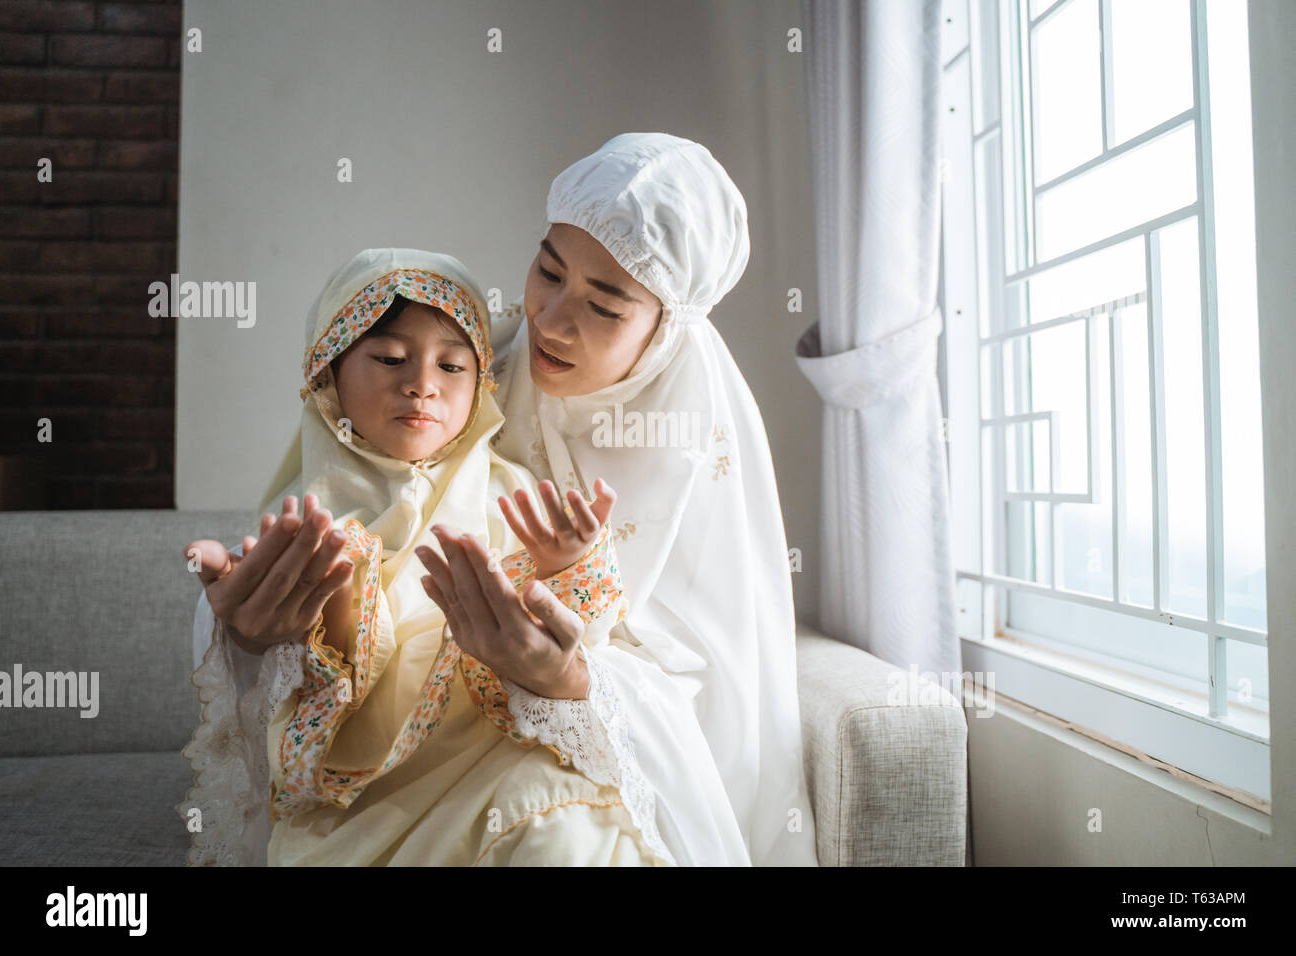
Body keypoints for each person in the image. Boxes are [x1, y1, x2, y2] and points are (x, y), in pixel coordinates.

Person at [179, 248, 732, 865]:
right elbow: (264, 698)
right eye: (389, 358)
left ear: (483, 385)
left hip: (496, 761)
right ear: (327, 373)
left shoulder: (515, 493)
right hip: (365, 801)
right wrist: (264, 635)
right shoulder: (306, 517)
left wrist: (567, 566)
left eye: (453, 364)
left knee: (567, 835)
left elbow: (586, 641)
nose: (421, 384)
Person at [472, 131, 820, 866]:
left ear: (665, 332)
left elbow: (705, 673)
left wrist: (572, 671)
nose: (551, 319)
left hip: (612, 726)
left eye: (604, 307)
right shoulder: (478, 374)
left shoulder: (694, 435)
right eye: (547, 271)